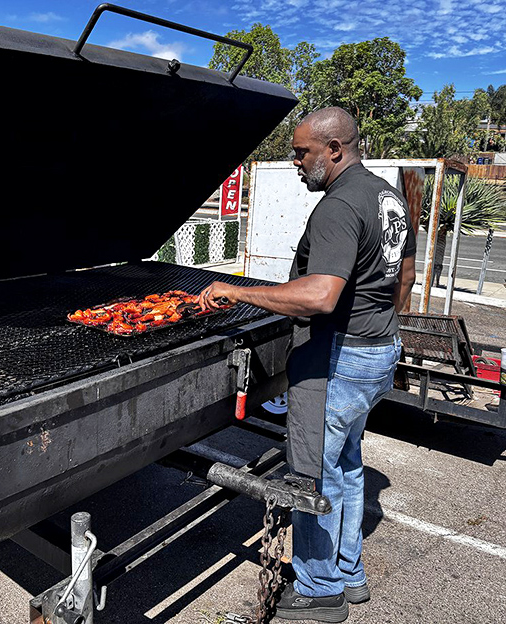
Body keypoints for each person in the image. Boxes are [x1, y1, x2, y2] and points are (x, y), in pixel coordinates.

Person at [198, 107, 416, 623]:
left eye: (302, 152)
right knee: (344, 464)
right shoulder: (386, 195)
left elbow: (320, 296)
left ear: (334, 149)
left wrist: (235, 289)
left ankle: (320, 591)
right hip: (377, 349)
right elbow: (404, 274)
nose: (295, 162)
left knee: (312, 471)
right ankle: (348, 573)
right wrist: (382, 326)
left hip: (338, 358)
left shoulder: (338, 207)